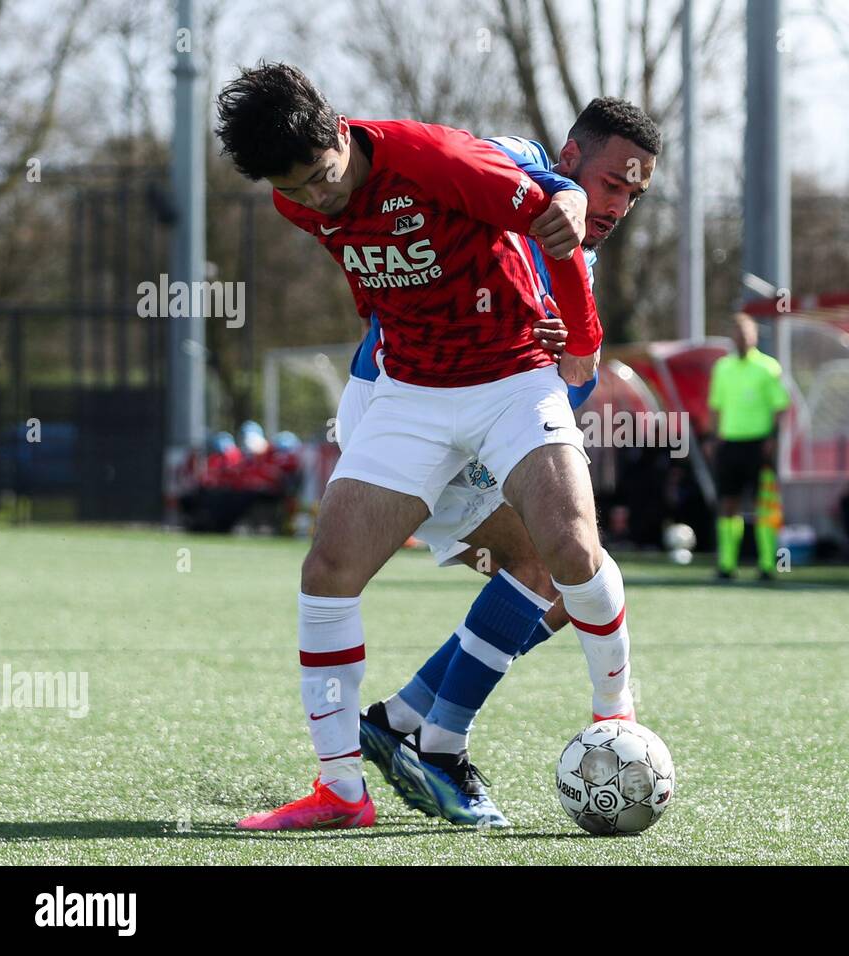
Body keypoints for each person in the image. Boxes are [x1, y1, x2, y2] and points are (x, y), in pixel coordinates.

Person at [214, 63, 650, 830]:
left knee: (567, 551)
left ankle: (608, 717)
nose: (319, 198)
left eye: (323, 177)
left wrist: (578, 328)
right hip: (407, 394)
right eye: (611, 182)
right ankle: (346, 791)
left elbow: (551, 206)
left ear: (339, 130)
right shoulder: (308, 196)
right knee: (331, 571)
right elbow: (533, 181)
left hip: (511, 382)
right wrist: (565, 210)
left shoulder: (435, 160)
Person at [336, 101, 661, 819]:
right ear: (572, 156)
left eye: (634, 194)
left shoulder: (586, 258)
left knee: (562, 587)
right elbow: (475, 165)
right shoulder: (520, 153)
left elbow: (563, 369)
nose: (618, 205)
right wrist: (563, 195)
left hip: (459, 412)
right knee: (555, 571)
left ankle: (402, 720)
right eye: (610, 183)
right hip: (410, 398)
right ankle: (439, 744)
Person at [705, 313, 791, 580]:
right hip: (730, 444)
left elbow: (780, 407)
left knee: (763, 505)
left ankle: (768, 564)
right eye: (738, 334)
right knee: (728, 504)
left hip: (759, 445)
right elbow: (715, 406)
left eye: (747, 334)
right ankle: (727, 564)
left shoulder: (768, 368)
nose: (742, 339)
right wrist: (713, 437)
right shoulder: (722, 368)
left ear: (755, 337)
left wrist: (773, 438)